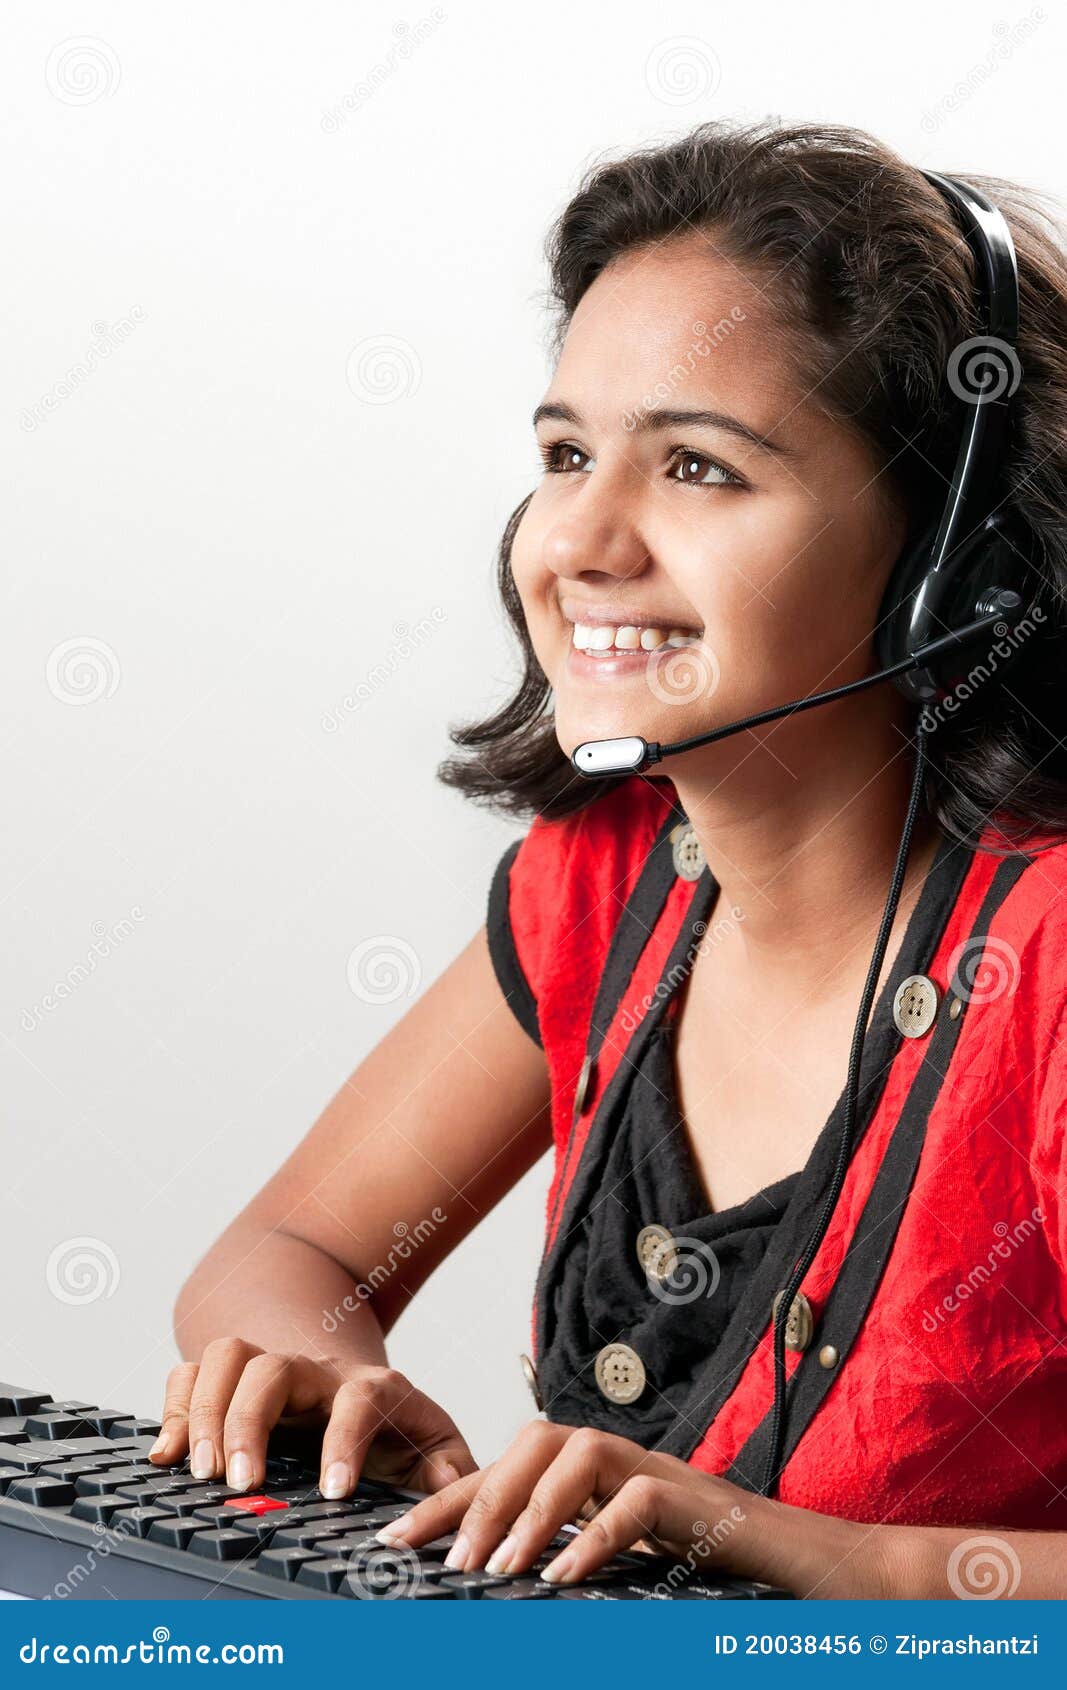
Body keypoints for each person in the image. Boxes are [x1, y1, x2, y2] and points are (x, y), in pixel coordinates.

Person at [154, 119, 1067, 1598]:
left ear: (954, 566)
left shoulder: (1049, 967)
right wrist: (326, 1380)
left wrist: (812, 1551)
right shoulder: (608, 881)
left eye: (698, 467)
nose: (577, 537)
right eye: (567, 452)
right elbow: (290, 1248)